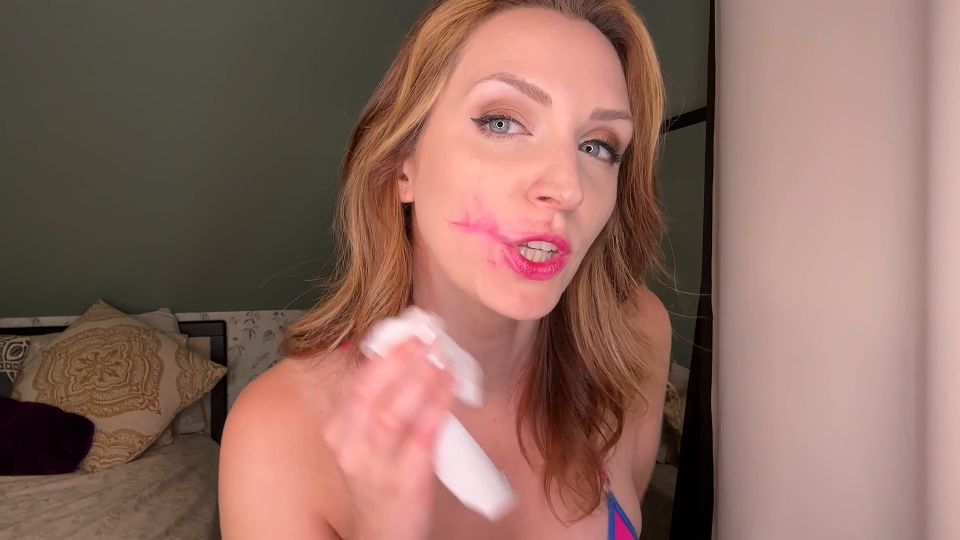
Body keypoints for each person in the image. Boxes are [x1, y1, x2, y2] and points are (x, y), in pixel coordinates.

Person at [219, 1, 671, 538]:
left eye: (597, 146)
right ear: (404, 164)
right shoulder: (279, 433)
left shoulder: (635, 342)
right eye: (502, 122)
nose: (568, 187)